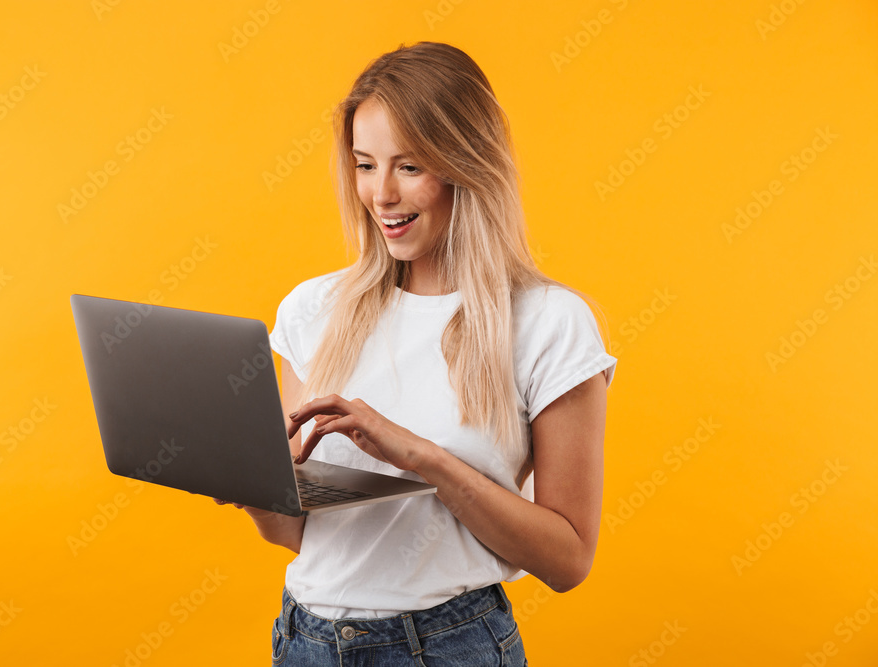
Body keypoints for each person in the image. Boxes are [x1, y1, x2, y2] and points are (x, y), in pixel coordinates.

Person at [216, 41, 617, 665]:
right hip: (305, 642)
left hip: (447, 646)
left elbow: (568, 559)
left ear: (466, 165)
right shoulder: (310, 310)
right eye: (365, 164)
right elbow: (301, 536)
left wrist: (424, 458)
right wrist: (256, 491)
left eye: (408, 167)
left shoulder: (548, 323)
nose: (380, 195)